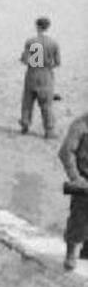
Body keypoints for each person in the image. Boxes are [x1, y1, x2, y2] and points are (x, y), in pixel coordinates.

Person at [19, 16, 60, 138]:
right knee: (46, 103)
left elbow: (25, 60)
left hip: (32, 73)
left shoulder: (30, 41)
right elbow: (57, 62)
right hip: (45, 74)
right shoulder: (53, 43)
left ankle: (25, 124)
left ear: (37, 26)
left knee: (27, 100)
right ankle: (49, 130)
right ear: (48, 27)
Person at [57, 111, 88, 271]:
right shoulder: (81, 125)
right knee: (79, 219)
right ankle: (70, 252)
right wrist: (75, 178)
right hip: (84, 182)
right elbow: (65, 152)